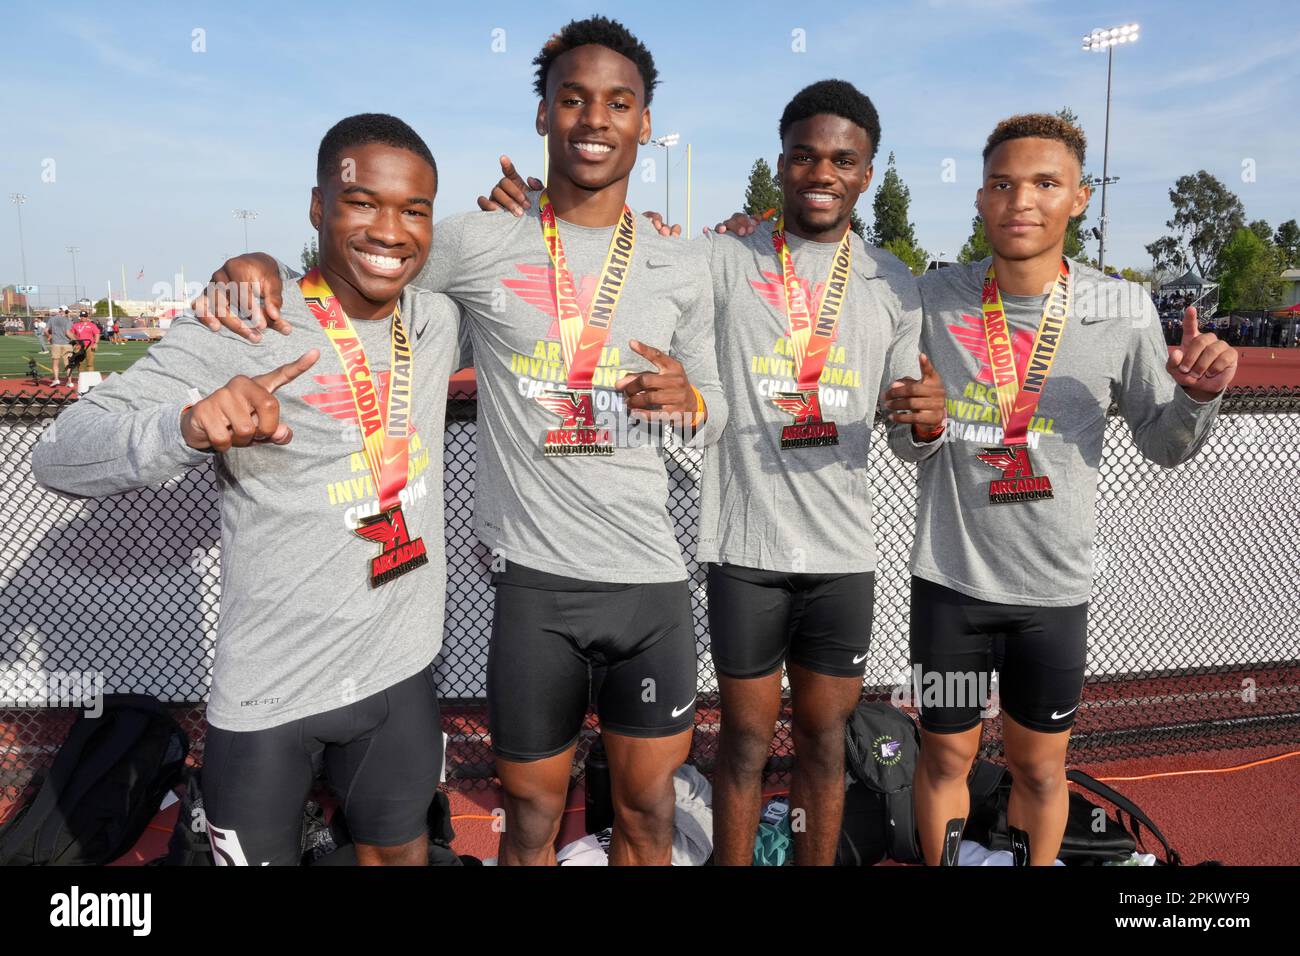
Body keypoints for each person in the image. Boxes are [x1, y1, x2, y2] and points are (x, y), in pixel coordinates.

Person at [189, 16, 727, 867]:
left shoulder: (681, 259)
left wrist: (696, 398)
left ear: (645, 124)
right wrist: (256, 260)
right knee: (531, 818)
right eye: (573, 100)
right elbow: (356, 273)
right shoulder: (477, 241)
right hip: (536, 589)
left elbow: (720, 403)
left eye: (618, 104)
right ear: (542, 115)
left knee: (650, 815)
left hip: (651, 585)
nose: (595, 119)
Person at [711, 112, 1237, 865]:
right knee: (946, 760)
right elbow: (898, 428)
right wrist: (755, 238)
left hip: (1055, 593)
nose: (1021, 200)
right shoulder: (929, 299)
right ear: (981, 200)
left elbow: (1165, 446)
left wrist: (1195, 397)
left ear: (1079, 198)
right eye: (1002, 183)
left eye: (1045, 183)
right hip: (951, 587)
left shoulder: (1120, 309)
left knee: (1040, 767)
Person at [480, 79, 947, 865]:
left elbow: (910, 435)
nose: (821, 173)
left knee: (827, 746)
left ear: (867, 172)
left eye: (843, 159)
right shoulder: (722, 259)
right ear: (783, 163)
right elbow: (618, 250)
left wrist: (927, 424)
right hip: (743, 552)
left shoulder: (893, 282)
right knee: (744, 747)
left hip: (844, 558)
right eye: (804, 156)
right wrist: (538, 215)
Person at [34, 114, 461, 866]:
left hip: (399, 675)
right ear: (318, 206)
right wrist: (186, 428)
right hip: (271, 694)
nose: (391, 231)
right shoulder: (247, 324)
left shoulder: (437, 316)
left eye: (414, 210)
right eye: (362, 202)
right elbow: (59, 456)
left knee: (404, 857)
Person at [45, 308, 74, 385]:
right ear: (66, 312)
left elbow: (45, 331)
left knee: (55, 363)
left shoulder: (52, 319)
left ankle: (56, 379)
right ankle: (70, 382)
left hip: (56, 343)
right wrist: (76, 340)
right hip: (67, 344)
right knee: (68, 364)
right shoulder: (68, 320)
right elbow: (68, 333)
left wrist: (49, 337)